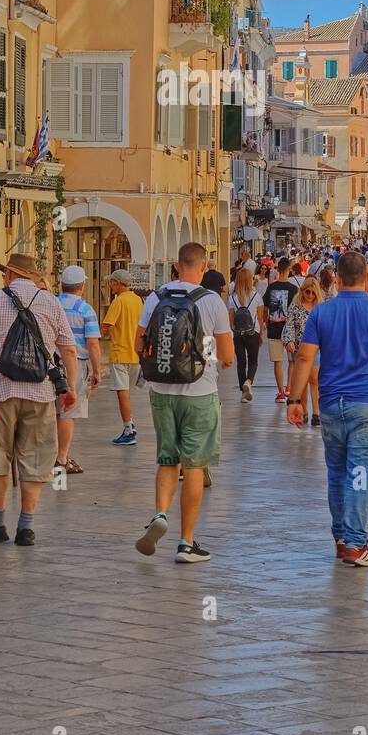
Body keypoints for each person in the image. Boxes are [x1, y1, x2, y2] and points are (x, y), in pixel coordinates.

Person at [287, 251, 368, 568]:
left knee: (336, 473)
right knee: (359, 473)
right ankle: (356, 543)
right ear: (367, 276)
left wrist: (294, 401)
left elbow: (304, 358)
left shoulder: (322, 313)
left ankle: (341, 539)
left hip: (331, 404)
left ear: (338, 278)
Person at [0, 253, 78, 547]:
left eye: (4, 274)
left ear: (10, 274)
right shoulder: (51, 302)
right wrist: (70, 387)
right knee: (35, 455)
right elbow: (69, 350)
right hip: (39, 390)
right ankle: (26, 525)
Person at [134, 242, 234, 564]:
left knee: (167, 458)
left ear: (176, 266)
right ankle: (186, 543)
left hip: (162, 390)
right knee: (193, 465)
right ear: (204, 267)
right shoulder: (212, 302)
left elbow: (139, 343)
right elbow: (228, 356)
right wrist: (208, 355)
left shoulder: (155, 297)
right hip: (200, 392)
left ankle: (160, 513)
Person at [55, 266, 102, 475]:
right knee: (68, 412)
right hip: (75, 364)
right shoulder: (85, 310)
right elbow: (92, 344)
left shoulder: (51, 304)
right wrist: (97, 371)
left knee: (53, 411)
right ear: (82, 286)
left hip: (49, 364)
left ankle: (50, 454)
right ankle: (61, 458)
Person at [100, 269, 144, 445]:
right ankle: (129, 424)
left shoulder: (118, 302)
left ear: (118, 283)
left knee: (122, 393)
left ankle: (129, 428)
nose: (110, 285)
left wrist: (101, 336)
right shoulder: (138, 300)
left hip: (120, 353)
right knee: (128, 392)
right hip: (135, 355)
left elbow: (106, 326)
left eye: (111, 282)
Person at [283, 275, 323, 424]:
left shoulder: (320, 308)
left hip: (316, 349)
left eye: (313, 293)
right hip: (298, 350)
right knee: (303, 381)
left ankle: (316, 413)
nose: (310, 296)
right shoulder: (295, 307)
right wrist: (289, 341)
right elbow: (289, 326)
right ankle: (305, 411)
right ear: (302, 291)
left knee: (314, 379)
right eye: (308, 292)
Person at [261, 258, 300, 403]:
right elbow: (296, 310)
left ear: (278, 270)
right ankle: (289, 387)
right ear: (289, 270)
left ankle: (281, 393)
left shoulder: (271, 288)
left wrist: (265, 323)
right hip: (290, 330)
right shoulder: (293, 289)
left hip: (274, 328)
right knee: (292, 361)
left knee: (278, 361)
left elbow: (265, 308)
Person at [228, 265, 263, 403]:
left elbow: (231, 317)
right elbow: (260, 317)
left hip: (238, 333)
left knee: (241, 362)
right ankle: (249, 381)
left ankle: (243, 394)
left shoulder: (233, 297)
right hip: (253, 332)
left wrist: (233, 331)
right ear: (250, 280)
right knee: (253, 361)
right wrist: (260, 334)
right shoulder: (257, 296)